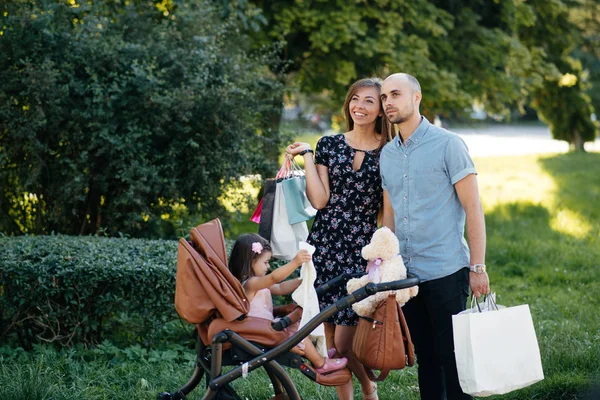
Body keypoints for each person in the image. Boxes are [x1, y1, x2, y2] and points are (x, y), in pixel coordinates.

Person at [379, 73, 490, 400]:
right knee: (426, 359)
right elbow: (389, 215)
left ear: (417, 97)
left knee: (453, 360)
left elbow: (474, 207)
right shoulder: (388, 154)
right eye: (384, 97)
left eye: (395, 94)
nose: (388, 103)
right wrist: (387, 266)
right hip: (407, 279)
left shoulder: (448, 144)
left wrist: (478, 267)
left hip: (445, 270)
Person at [286, 77, 392, 400]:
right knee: (330, 342)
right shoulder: (329, 145)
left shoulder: (389, 152)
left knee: (346, 342)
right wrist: (307, 155)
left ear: (380, 111)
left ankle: (368, 387)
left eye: (368, 101)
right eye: (355, 99)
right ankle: (356, 394)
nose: (359, 106)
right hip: (326, 245)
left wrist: (385, 254)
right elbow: (319, 201)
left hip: (361, 249)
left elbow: (387, 212)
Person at [228, 233, 348, 375]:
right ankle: (321, 363)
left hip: (265, 329)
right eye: (265, 262)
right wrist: (295, 262)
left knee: (296, 326)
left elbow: (280, 287)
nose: (268, 266)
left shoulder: (257, 283)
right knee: (296, 330)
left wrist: (303, 280)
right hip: (259, 333)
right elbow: (273, 278)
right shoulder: (250, 283)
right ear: (250, 261)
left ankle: (317, 353)